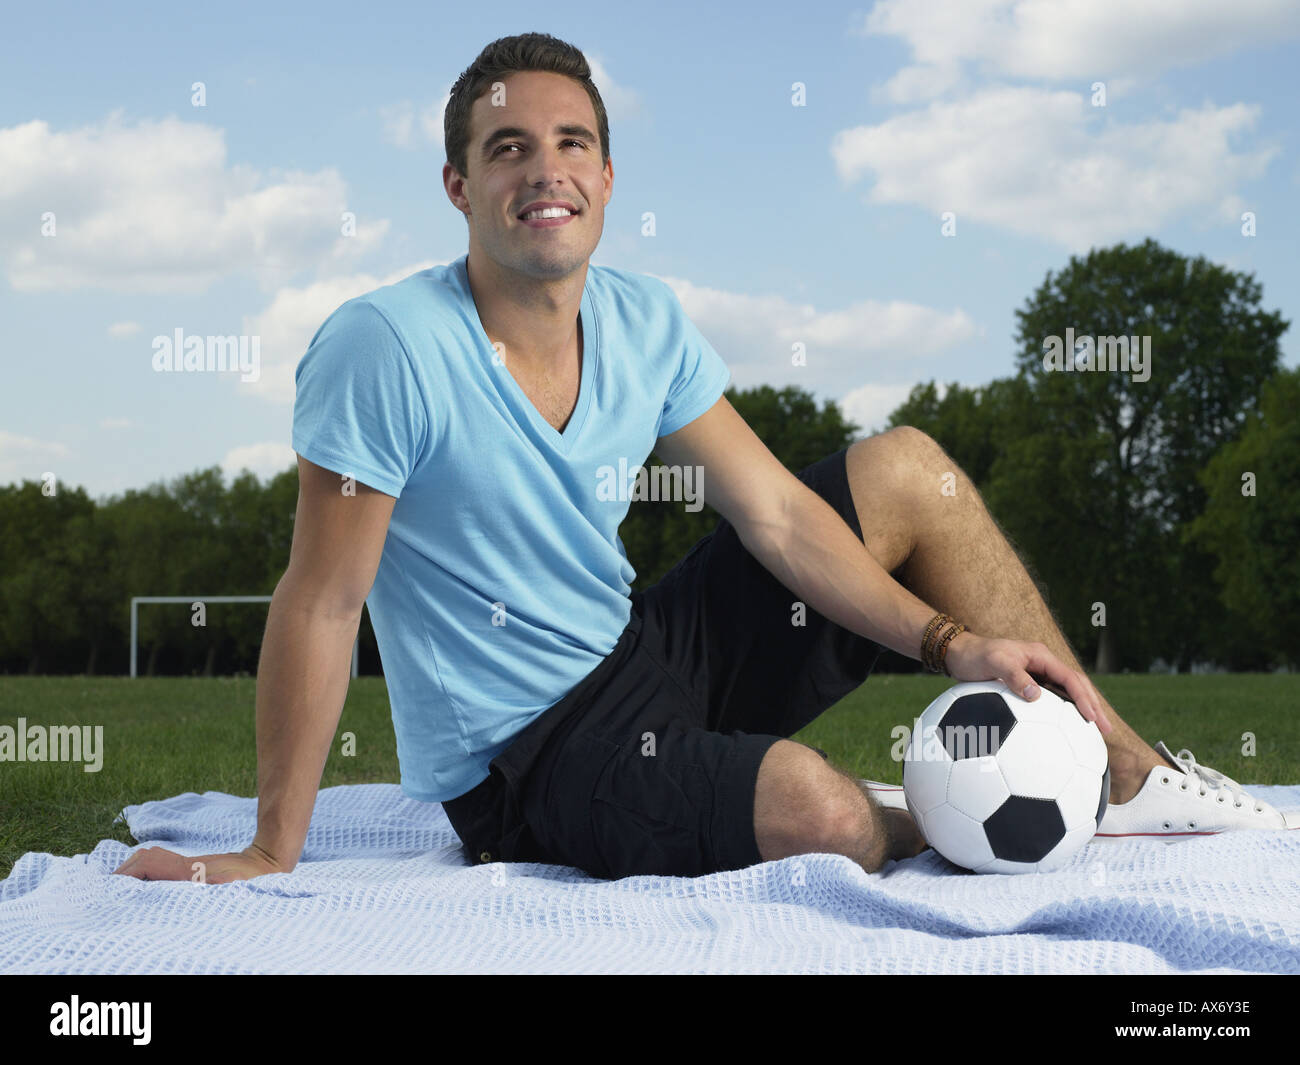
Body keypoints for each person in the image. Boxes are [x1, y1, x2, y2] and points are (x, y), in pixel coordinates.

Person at [114, 32, 1294, 886]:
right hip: (525, 755)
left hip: (639, 655)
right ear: (458, 184)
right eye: (508, 146)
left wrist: (952, 641)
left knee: (904, 470)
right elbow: (324, 599)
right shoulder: (386, 348)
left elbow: (777, 518)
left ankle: (1128, 778)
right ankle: (949, 811)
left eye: (572, 141)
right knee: (823, 818)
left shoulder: (642, 320)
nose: (545, 169)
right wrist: (274, 845)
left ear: (608, 179)